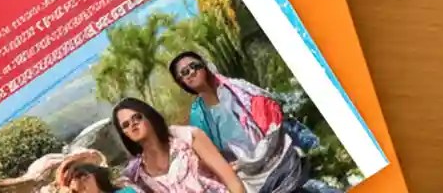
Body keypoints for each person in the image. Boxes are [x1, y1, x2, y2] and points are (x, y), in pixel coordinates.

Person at [168, 52, 323, 193]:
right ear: (182, 82)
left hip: (281, 158)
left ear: (204, 66)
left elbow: (272, 115)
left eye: (194, 66)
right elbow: (208, 153)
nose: (191, 73)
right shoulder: (198, 115)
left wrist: (265, 150)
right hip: (249, 179)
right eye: (184, 73)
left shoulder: (238, 89)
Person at [112, 97, 244, 193]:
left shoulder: (188, 137)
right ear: (124, 134)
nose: (132, 124)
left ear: (148, 115)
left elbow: (231, 180)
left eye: (136, 117)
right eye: (125, 125)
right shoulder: (139, 174)